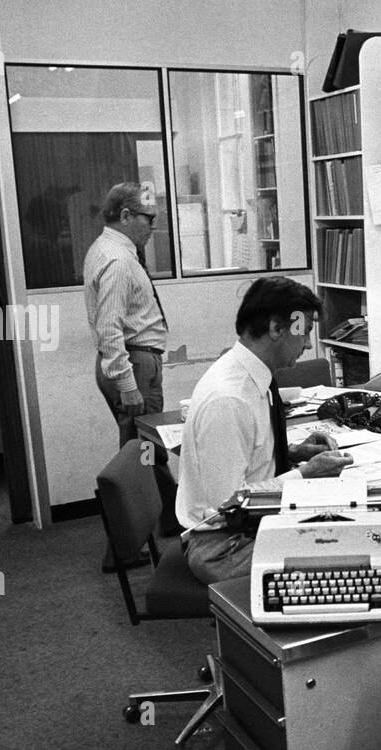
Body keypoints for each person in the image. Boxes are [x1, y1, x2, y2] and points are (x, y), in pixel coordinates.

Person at [177, 277, 353, 585]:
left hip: (250, 524)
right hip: (224, 544)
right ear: (275, 328)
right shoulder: (229, 400)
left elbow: (247, 457)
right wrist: (305, 474)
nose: (309, 344)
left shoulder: (253, 376)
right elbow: (229, 505)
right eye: (305, 331)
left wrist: (293, 452)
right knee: (344, 550)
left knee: (357, 523)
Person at [83, 182, 168, 447]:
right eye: (149, 218)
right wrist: (128, 385)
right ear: (126, 216)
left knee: (143, 444)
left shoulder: (107, 248)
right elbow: (108, 327)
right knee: (145, 447)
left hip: (134, 361)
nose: (153, 227)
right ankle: (145, 489)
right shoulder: (118, 260)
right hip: (134, 363)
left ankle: (151, 487)